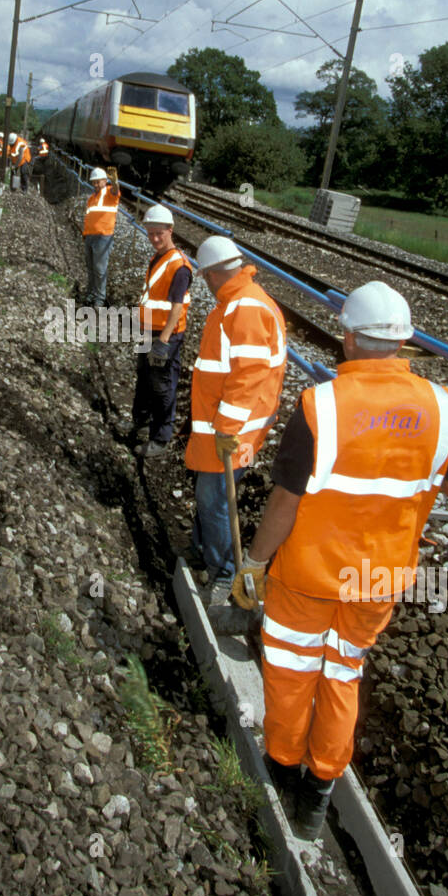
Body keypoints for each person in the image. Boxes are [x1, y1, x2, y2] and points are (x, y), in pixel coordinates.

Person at [231, 281, 448, 840]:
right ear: (404, 344)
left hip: (310, 576)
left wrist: (255, 563)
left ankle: (281, 767)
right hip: (380, 578)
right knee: (343, 675)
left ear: (348, 338)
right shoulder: (445, 407)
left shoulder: (321, 408)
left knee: (293, 672)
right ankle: (318, 795)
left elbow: (285, 501)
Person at [184, 236, 286, 606]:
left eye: (206, 277)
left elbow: (249, 374)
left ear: (212, 274)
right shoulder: (238, 301)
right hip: (226, 422)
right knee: (208, 491)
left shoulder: (244, 307)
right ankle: (203, 546)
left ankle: (224, 572)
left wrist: (226, 427)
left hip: (234, 428)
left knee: (214, 497)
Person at [120, 205, 192, 458]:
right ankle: (139, 421)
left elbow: (176, 307)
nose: (154, 239)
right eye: (150, 234)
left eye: (159, 234)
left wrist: (162, 340)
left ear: (170, 230)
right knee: (144, 378)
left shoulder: (179, 266)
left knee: (162, 385)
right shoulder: (158, 257)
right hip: (148, 329)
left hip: (164, 336)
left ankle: (160, 438)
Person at [81, 166, 120, 307]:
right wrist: (85, 234)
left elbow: (115, 190)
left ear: (105, 181)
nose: (96, 185)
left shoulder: (110, 193)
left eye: (99, 182)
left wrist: (115, 182)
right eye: (94, 182)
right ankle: (91, 293)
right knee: (91, 267)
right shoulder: (92, 198)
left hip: (103, 237)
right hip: (90, 237)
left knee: (99, 269)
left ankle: (99, 298)